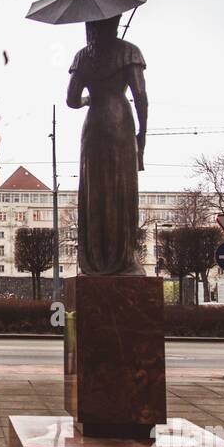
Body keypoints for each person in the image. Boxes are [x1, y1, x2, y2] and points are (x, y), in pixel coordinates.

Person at [66, 14, 147, 275]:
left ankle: (95, 259)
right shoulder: (129, 52)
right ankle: (124, 259)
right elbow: (141, 97)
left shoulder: (82, 56)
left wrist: (89, 100)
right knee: (121, 189)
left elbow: (71, 100)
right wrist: (142, 136)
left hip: (94, 126)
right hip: (121, 123)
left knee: (95, 191)